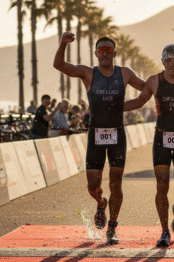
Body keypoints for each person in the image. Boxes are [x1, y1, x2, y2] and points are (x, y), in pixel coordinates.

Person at [53, 31, 145, 246]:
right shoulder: (88, 73)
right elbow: (59, 65)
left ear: (114, 53)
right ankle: (100, 203)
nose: (104, 53)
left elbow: (148, 88)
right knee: (93, 186)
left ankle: (112, 227)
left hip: (117, 135)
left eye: (108, 50)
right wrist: (63, 44)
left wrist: (132, 105)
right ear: (96, 53)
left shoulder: (125, 73)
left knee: (116, 183)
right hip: (95, 135)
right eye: (101, 50)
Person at [123, 44, 174, 247]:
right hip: (161, 139)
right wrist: (112, 107)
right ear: (162, 61)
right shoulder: (154, 81)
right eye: (167, 60)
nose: (170, 64)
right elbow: (139, 102)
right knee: (162, 185)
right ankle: (164, 231)